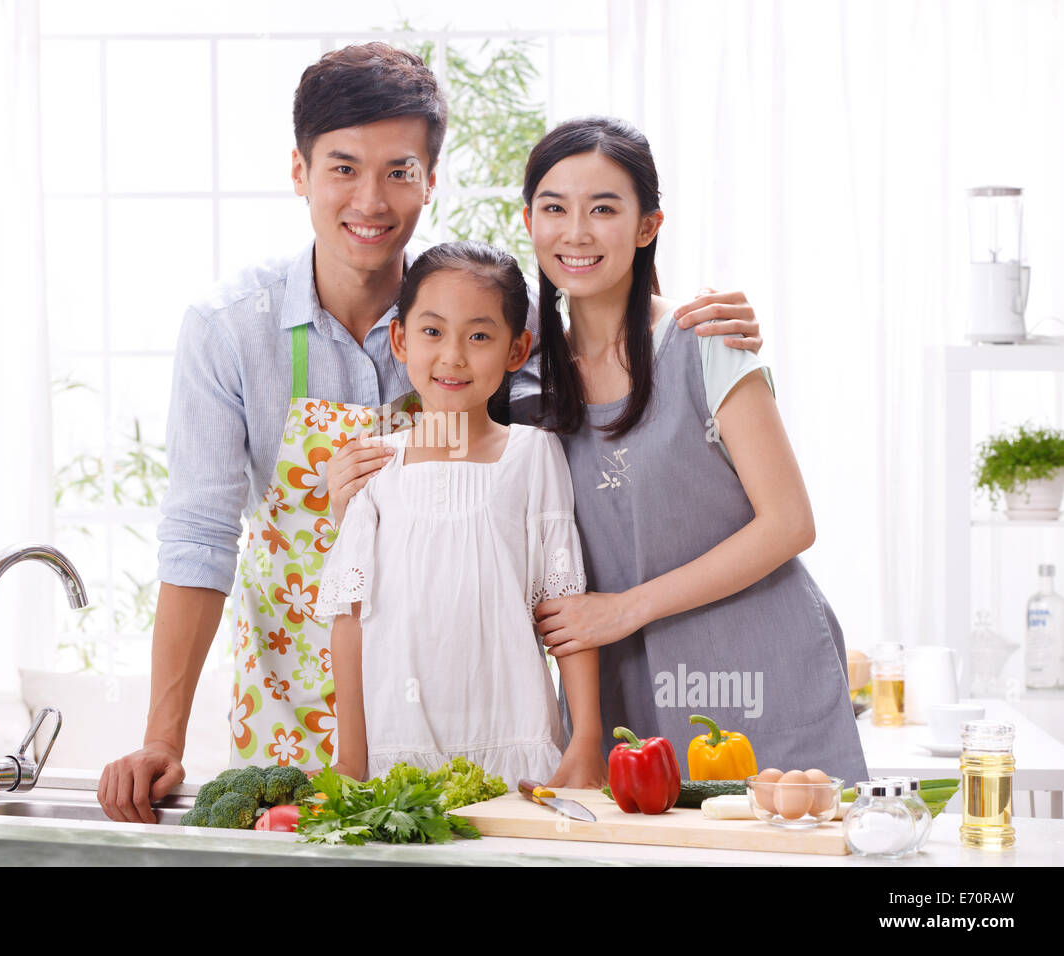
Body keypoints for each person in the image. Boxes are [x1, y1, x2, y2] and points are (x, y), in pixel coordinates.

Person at [98, 43, 762, 825]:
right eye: (342, 167)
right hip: (290, 702)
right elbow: (200, 537)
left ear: (430, 180)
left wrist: (692, 326)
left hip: (467, 726)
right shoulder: (230, 330)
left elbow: (606, 340)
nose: (371, 200)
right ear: (299, 171)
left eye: (399, 171)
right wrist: (163, 738)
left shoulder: (485, 321)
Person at [516, 117, 868, 784]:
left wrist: (622, 609)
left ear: (648, 225)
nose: (577, 232)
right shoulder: (528, 377)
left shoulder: (705, 340)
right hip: (628, 694)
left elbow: (790, 522)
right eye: (554, 208)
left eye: (605, 209)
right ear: (529, 219)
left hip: (760, 677)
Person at [316, 241, 604, 788]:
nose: (452, 356)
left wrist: (586, 736)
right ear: (400, 339)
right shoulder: (372, 466)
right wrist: (350, 760)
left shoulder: (533, 454)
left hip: (515, 747)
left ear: (516, 350)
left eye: (479, 336)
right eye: (432, 332)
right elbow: (349, 621)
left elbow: (564, 606)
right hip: (396, 754)